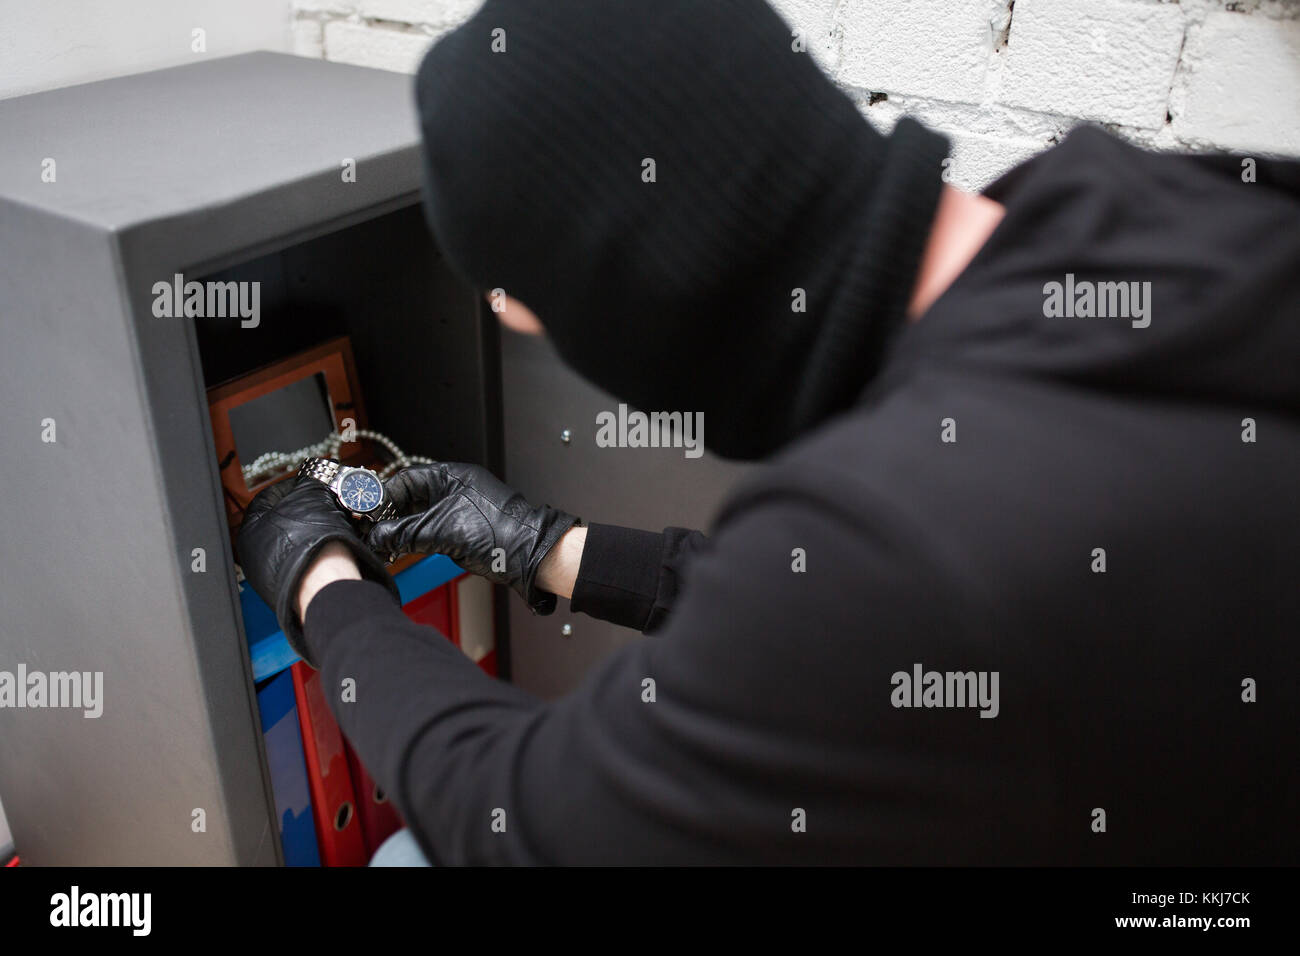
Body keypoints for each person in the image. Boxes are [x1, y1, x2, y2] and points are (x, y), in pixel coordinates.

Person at [237, 0, 1300, 865]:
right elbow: (851, 627)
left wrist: (322, 583)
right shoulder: (1148, 209)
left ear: (631, 301)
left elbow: (511, 819)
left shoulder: (902, 544)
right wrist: (535, 540)